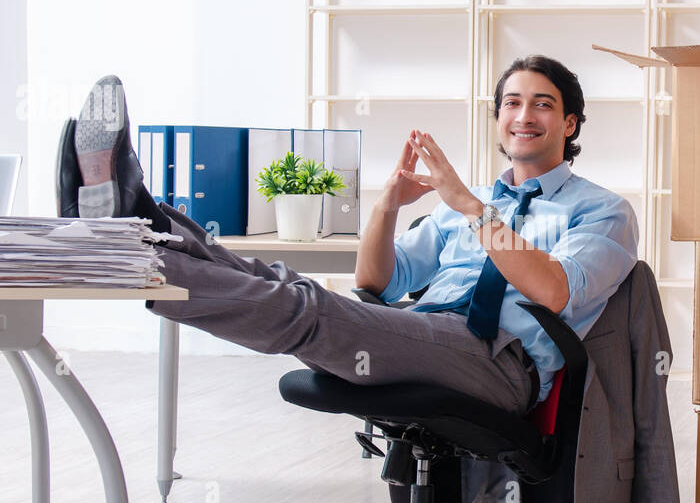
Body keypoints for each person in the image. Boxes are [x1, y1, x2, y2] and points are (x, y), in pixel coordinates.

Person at [56, 55, 639, 416]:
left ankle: (121, 249)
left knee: (305, 307)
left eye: (543, 104)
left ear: (569, 124)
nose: (524, 115)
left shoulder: (603, 212)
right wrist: (387, 205)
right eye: (511, 103)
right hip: (425, 329)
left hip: (499, 365)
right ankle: (139, 222)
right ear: (498, 122)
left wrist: (465, 203)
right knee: (273, 278)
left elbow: (555, 291)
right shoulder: (472, 207)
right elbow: (375, 282)